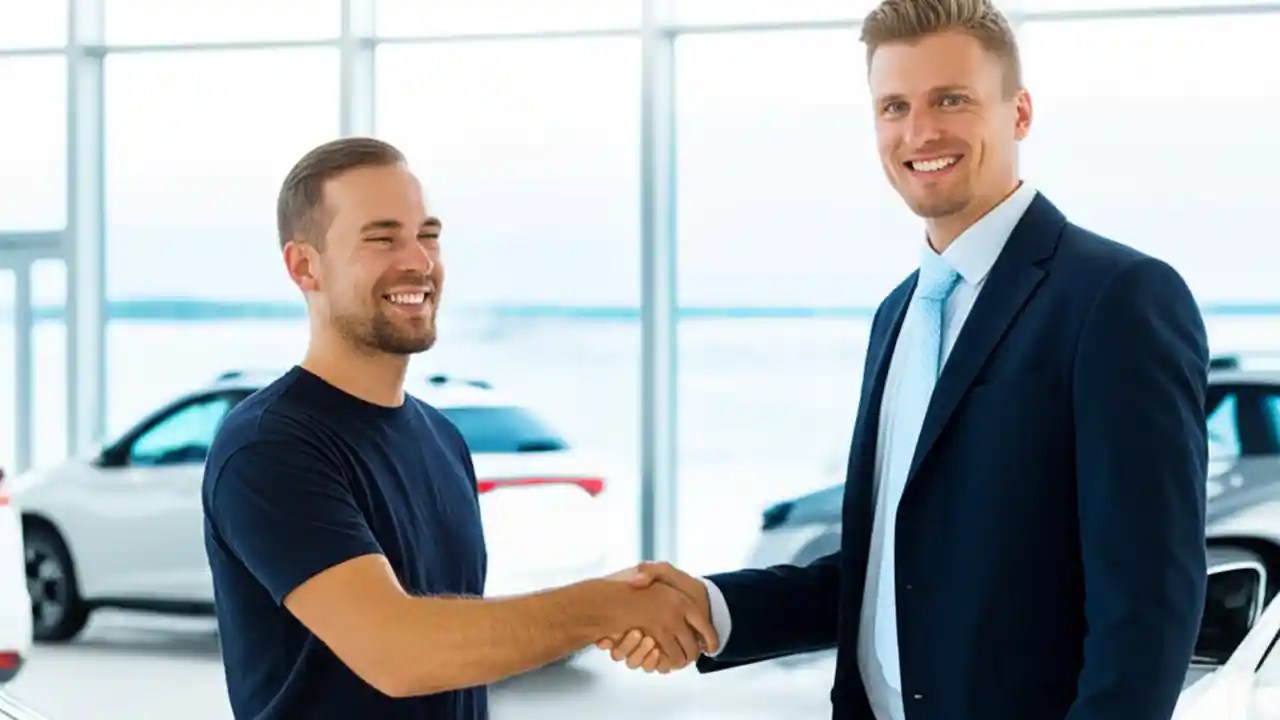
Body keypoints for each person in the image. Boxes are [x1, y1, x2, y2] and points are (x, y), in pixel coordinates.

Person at [601, 0, 1211, 718]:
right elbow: (888, 569)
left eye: (951, 100)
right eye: (894, 107)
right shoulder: (900, 314)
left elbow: (1148, 603)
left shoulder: (1118, 297)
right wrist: (713, 608)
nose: (920, 132)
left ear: (1019, 113)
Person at [201, 136, 717, 720]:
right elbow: (396, 650)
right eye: (382, 238)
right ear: (304, 266)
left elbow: (453, 663)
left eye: (428, 235)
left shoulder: (441, 438)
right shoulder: (269, 446)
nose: (418, 261)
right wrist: (608, 607)